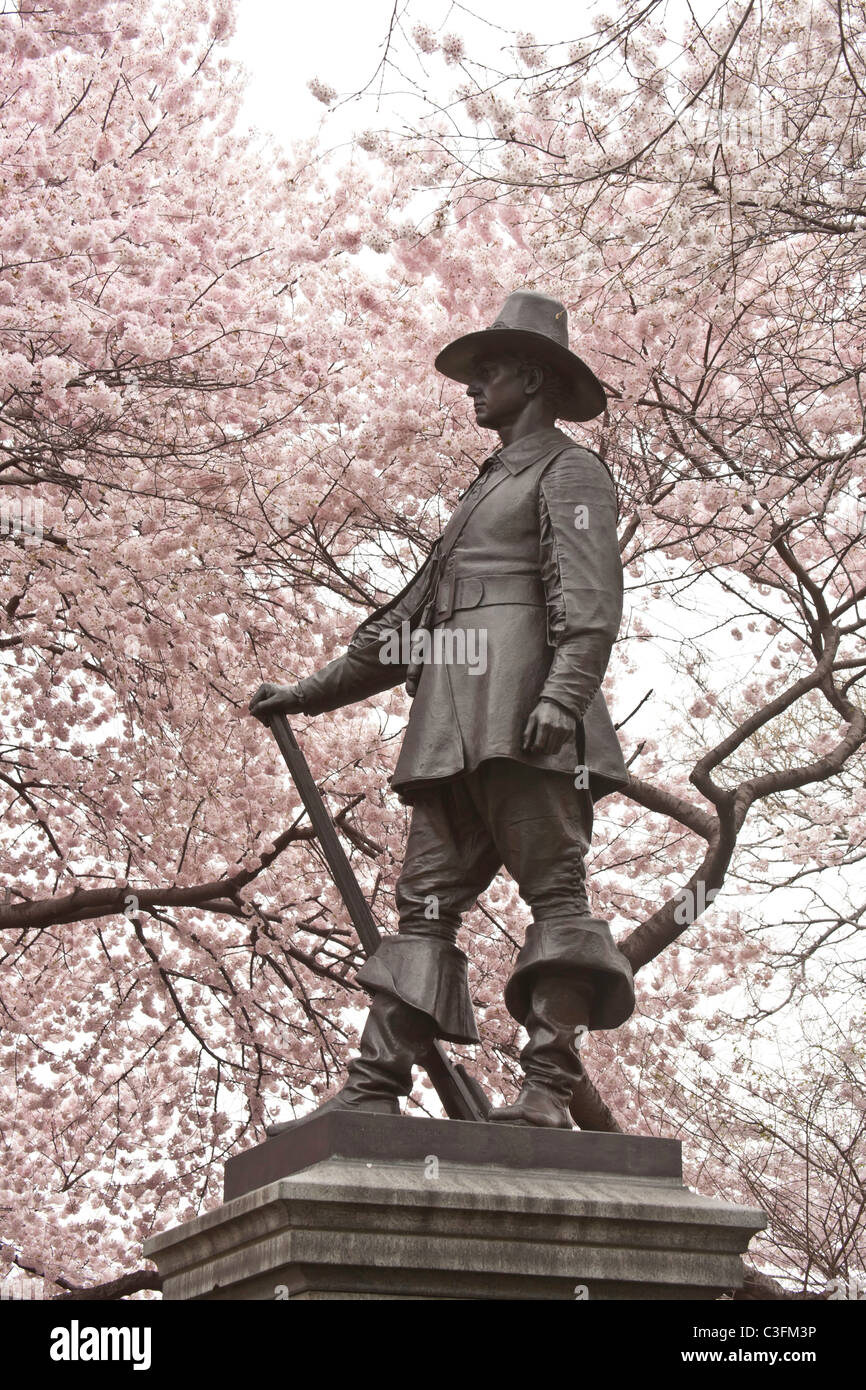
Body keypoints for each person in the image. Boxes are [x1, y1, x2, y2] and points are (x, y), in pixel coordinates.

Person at [250, 290, 635, 1129]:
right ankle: (374, 1088)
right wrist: (309, 695)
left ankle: (545, 1088)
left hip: (525, 710)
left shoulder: (569, 471)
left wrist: (564, 696)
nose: (473, 387)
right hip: (452, 721)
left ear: (531, 379)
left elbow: (591, 598)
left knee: (556, 895)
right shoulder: (484, 487)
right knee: (422, 902)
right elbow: (407, 623)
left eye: (488, 372)